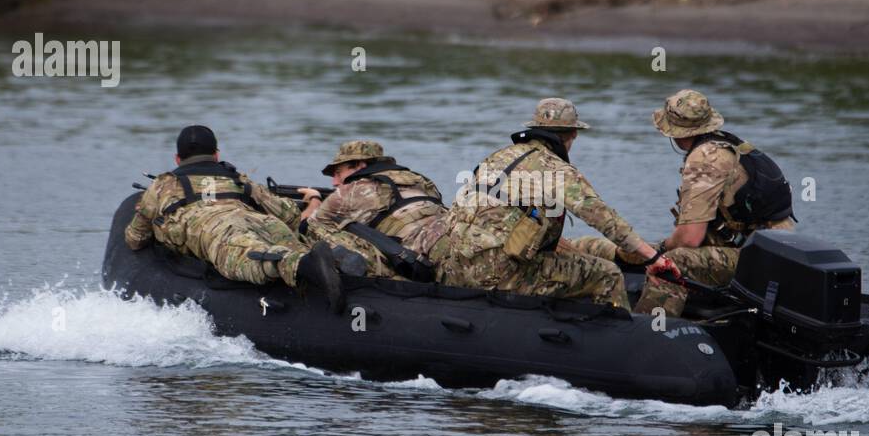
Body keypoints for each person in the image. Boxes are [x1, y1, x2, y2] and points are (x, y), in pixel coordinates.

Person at [434, 98, 679, 309]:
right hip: (498, 276)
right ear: (573, 134)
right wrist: (652, 257)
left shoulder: (498, 156)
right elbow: (603, 218)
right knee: (608, 273)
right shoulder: (556, 169)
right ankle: (619, 347)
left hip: (452, 269)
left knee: (576, 251)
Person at [124, 125, 348, 312]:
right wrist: (314, 201)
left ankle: (304, 264)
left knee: (248, 259)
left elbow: (135, 238)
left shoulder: (162, 185)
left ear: (177, 158)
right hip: (263, 222)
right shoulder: (238, 180)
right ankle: (334, 264)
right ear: (216, 155)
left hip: (220, 230)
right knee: (286, 244)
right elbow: (288, 214)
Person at [627, 89, 795, 317]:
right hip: (773, 252)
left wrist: (660, 251)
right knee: (653, 252)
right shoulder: (729, 144)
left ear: (675, 132)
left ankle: (652, 329)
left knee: (671, 262)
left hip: (754, 260)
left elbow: (689, 237)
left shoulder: (704, 159)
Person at [299, 140, 448, 257]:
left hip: (421, 258)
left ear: (360, 166)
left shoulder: (351, 191)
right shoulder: (421, 180)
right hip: (448, 239)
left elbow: (304, 227)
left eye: (338, 173)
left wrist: (314, 199)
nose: (335, 182)